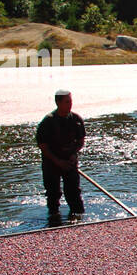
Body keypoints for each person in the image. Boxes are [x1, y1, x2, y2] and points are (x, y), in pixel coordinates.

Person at [36, 89, 85, 217]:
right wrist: (58, 162)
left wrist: (74, 155)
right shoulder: (48, 122)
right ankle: (54, 221)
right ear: (58, 103)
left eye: (71, 101)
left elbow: (80, 141)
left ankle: (78, 220)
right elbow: (43, 146)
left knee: (74, 194)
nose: (70, 104)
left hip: (69, 162)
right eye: (67, 102)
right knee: (53, 195)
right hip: (51, 163)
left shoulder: (76, 119)